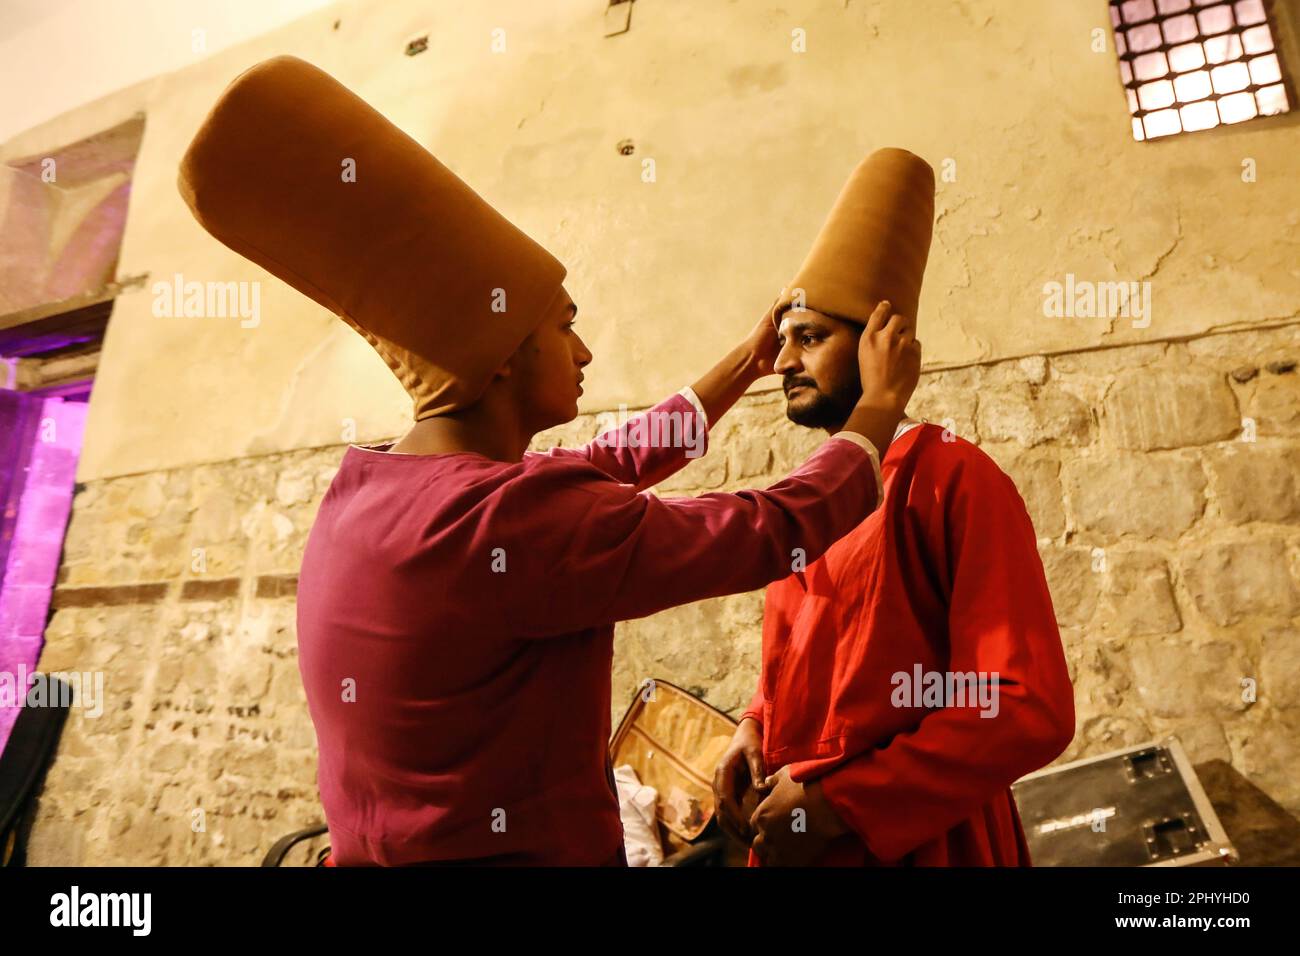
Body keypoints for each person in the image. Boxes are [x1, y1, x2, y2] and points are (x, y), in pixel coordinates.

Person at [177, 56, 922, 865]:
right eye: (564, 327)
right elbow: (769, 528)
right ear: (501, 356)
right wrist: (879, 408)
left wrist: (746, 361)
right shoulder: (506, 520)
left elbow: (609, 460)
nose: (585, 351)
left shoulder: (372, 489)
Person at [713, 148, 1076, 867]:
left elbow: (1022, 704)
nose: (782, 363)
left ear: (880, 346)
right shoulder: (813, 495)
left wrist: (841, 802)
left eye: (810, 338)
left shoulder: (950, 476)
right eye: (783, 341)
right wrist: (753, 725)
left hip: (918, 843)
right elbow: (806, 660)